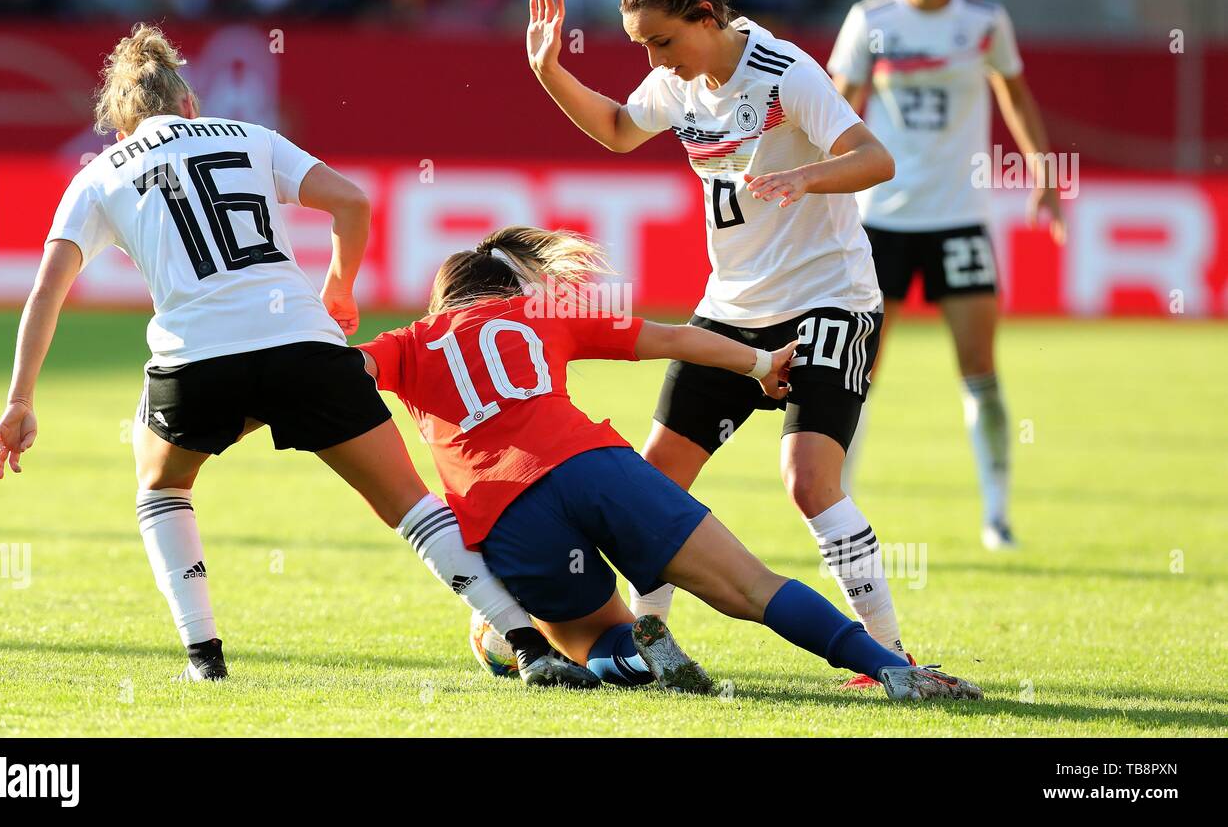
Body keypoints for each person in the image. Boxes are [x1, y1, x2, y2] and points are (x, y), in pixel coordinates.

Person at [0, 23, 596, 688]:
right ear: (190, 103)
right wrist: (339, 284)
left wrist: (20, 400)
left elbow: (47, 290)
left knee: (162, 486)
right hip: (302, 344)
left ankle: (205, 660)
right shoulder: (248, 136)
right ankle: (527, 645)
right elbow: (352, 202)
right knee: (407, 503)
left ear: (121, 123)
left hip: (197, 362)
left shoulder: (102, 172)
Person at [525, 0, 912, 688]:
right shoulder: (677, 81)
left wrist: (803, 176)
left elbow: (875, 159)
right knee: (650, 485)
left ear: (705, 15)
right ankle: (649, 640)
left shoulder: (784, 73)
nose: (655, 63)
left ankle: (888, 656)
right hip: (735, 307)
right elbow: (617, 129)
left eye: (663, 42)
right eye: (642, 48)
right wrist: (550, 72)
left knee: (808, 480)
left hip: (829, 298)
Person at [359, 226, 982, 701]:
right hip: (596, 466)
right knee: (755, 588)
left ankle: (635, 650)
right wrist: (762, 367)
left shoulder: (407, 345)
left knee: (592, 642)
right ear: (516, 287)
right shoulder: (539, 314)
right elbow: (675, 338)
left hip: (505, 514)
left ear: (442, 297)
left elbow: (332, 376)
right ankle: (894, 670)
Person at [827, 0, 1065, 550]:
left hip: (959, 220)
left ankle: (997, 515)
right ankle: (836, 512)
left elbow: (1014, 94)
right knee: (858, 371)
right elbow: (836, 112)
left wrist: (1044, 174)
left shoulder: (984, 23)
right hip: (880, 223)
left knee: (980, 368)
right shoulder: (870, 21)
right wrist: (824, 191)